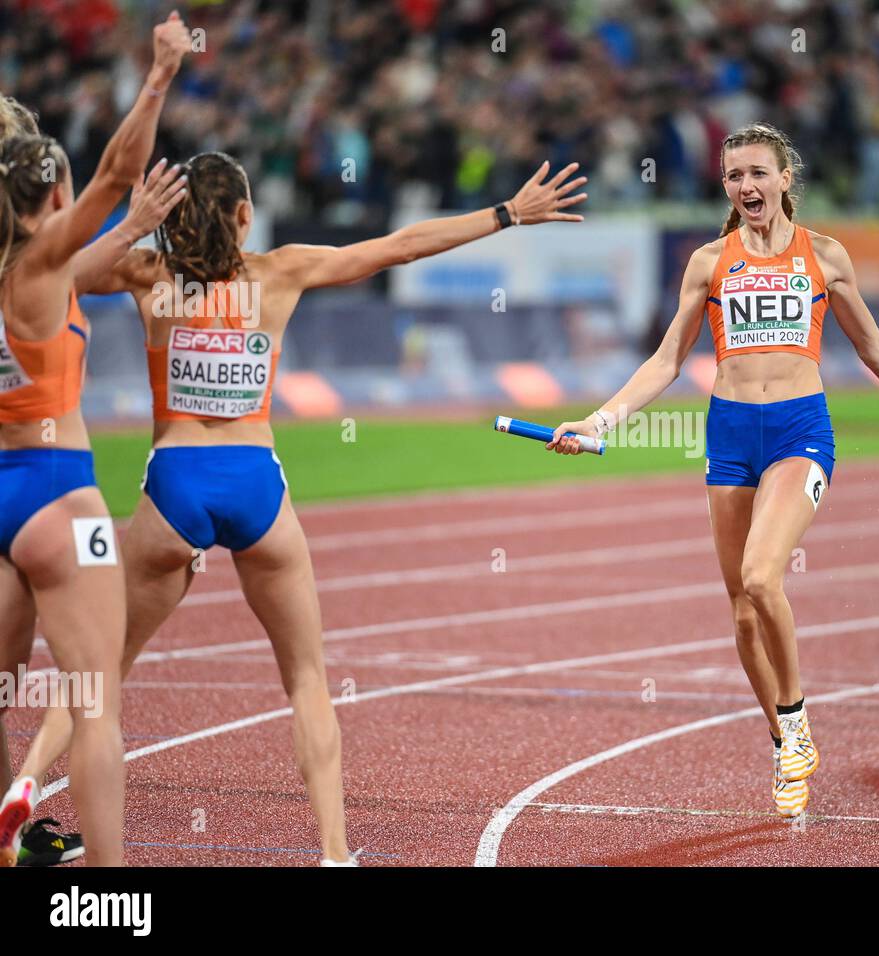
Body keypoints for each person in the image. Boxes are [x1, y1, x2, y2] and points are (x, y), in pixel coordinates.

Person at [18, 151, 586, 865]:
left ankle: (21, 792)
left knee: (98, 672)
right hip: (256, 483)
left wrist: (135, 226)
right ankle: (335, 853)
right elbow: (400, 247)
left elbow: (51, 275)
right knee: (306, 678)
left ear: (174, 215)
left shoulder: (147, 274)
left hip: (173, 486)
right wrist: (506, 214)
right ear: (246, 216)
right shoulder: (278, 271)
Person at [549, 123, 879, 818]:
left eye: (758, 173)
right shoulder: (710, 262)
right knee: (742, 612)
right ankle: (781, 743)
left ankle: (797, 721)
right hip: (730, 435)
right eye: (734, 175)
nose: (746, 187)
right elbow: (666, 361)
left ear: (785, 178)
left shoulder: (824, 256)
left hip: (801, 430)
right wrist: (599, 421)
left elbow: (870, 342)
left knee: (764, 576)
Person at [0, 12, 191, 867]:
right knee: (93, 702)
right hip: (57, 492)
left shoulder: (29, 273)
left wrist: (131, 226)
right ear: (48, 200)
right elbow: (116, 173)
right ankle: (110, 896)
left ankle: (15, 838)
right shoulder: (40, 263)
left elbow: (90, 256)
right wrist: (158, 74)